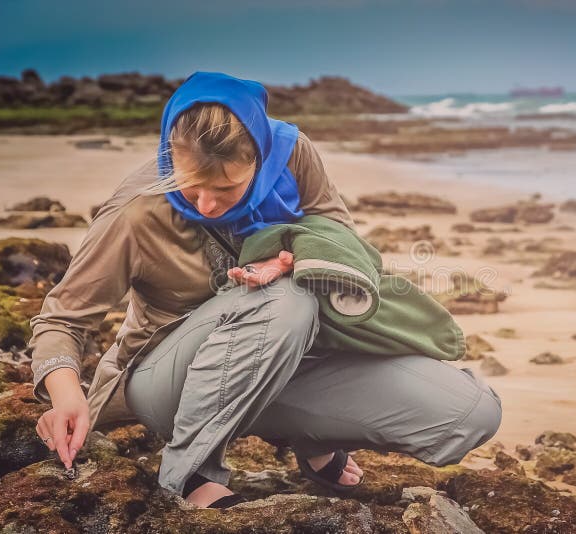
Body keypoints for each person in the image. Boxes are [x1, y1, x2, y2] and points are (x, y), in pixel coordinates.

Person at [29, 71, 502, 509]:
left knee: (469, 413)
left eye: (226, 189)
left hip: (282, 363)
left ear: (257, 158)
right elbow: (62, 318)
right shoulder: (135, 212)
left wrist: (287, 253)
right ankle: (190, 474)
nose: (208, 205)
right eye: (192, 189)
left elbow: (340, 239)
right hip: (165, 380)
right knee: (286, 300)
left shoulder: (292, 156)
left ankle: (312, 439)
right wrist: (66, 393)